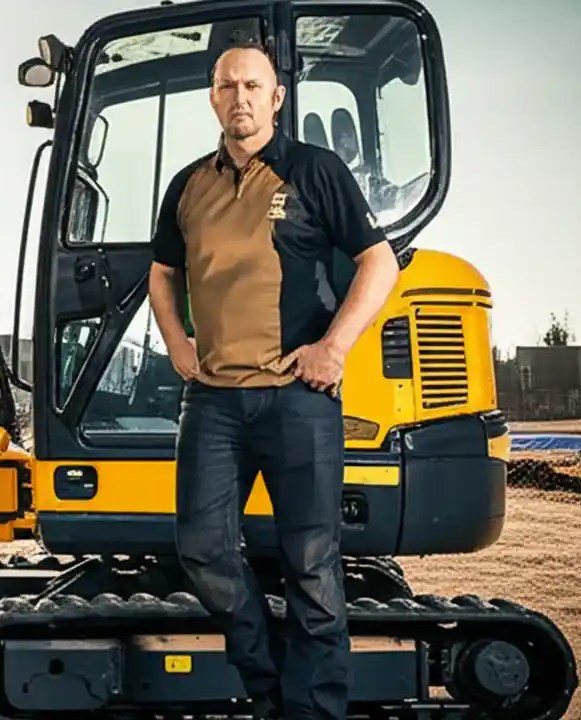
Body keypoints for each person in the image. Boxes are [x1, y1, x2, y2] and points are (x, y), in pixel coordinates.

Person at [147, 40, 400, 720]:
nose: (241, 97)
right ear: (212, 96)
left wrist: (334, 346)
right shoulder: (189, 184)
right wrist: (177, 342)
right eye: (228, 86)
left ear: (276, 97)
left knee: (313, 566)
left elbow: (380, 263)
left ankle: (310, 712)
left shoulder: (314, 172)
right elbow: (163, 272)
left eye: (253, 86)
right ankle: (271, 688)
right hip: (214, 403)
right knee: (201, 550)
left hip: (297, 400)